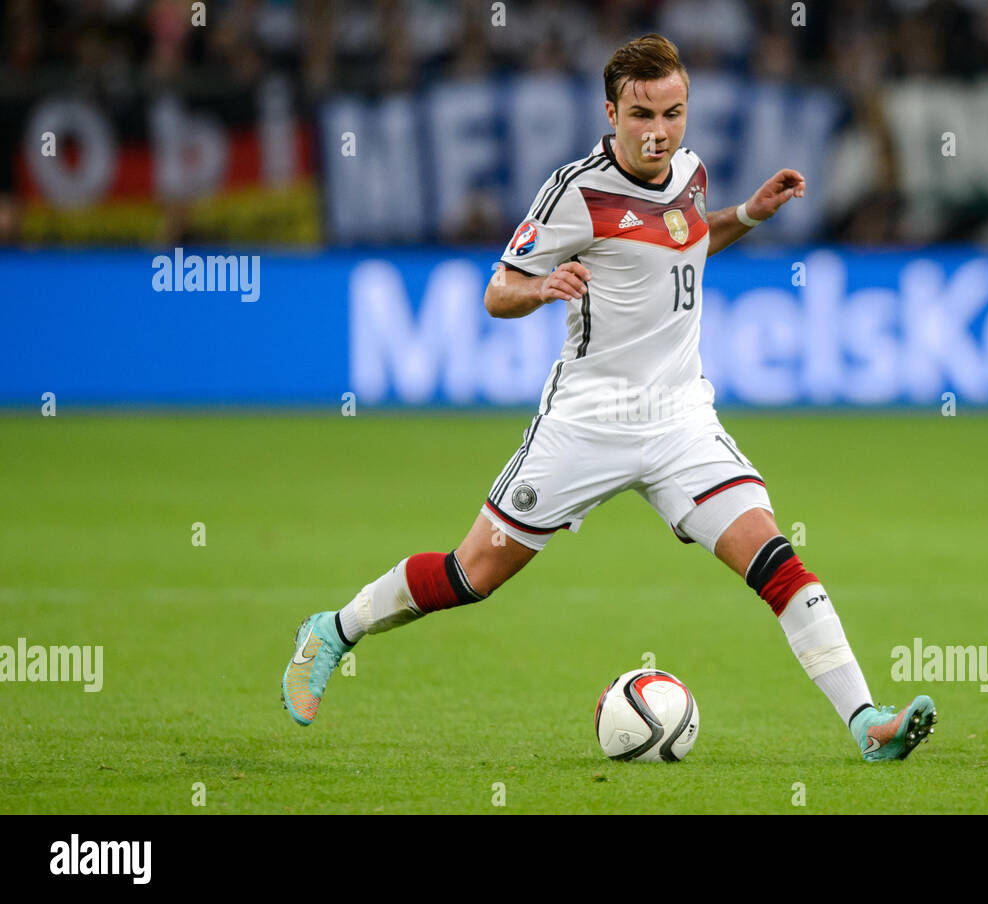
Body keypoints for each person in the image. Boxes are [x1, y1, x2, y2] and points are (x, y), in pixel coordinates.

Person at [282, 33, 936, 762]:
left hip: (681, 416)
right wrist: (541, 286)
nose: (659, 132)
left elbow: (685, 238)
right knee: (472, 574)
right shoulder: (575, 192)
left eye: (674, 113)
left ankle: (867, 723)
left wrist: (747, 214)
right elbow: (497, 290)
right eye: (642, 115)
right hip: (588, 420)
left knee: (775, 560)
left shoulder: (691, 172)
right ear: (611, 112)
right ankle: (332, 631)